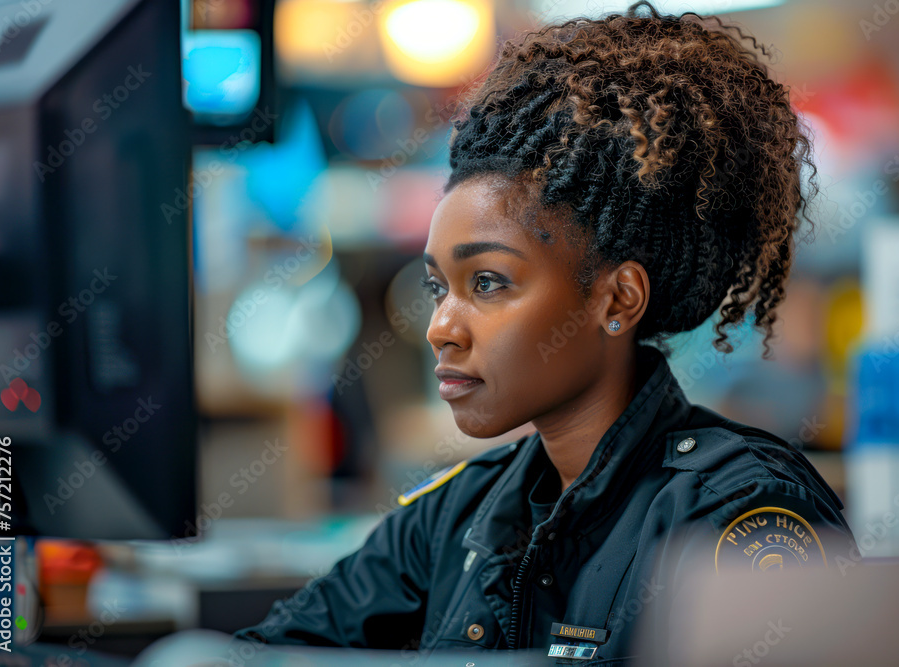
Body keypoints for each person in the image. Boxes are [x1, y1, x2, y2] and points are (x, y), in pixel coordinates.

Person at [232, 0, 858, 661]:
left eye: (488, 283)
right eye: (439, 287)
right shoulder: (455, 516)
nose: (441, 328)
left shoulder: (742, 512)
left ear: (617, 298)